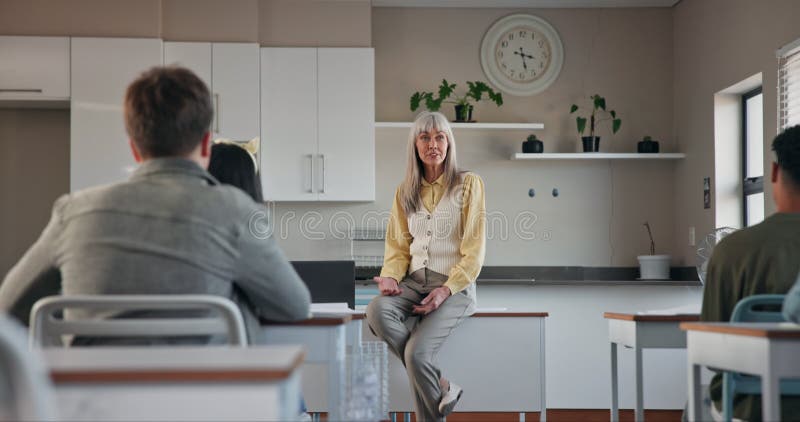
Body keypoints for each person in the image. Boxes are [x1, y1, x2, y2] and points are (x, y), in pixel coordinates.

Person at [0, 66, 310, 343]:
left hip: (94, 402)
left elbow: (7, 306)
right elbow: (294, 306)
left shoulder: (73, 212)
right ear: (206, 144)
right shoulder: (235, 210)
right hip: (206, 400)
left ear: (134, 147)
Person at [366, 111, 486, 421]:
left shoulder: (469, 184)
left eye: (439, 137)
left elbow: (474, 250)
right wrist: (391, 277)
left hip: (454, 287)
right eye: (424, 137)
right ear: (415, 145)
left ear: (449, 143)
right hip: (414, 283)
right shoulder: (405, 191)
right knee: (376, 310)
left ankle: (436, 387)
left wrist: (446, 290)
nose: (432, 144)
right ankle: (443, 385)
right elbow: (397, 245)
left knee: (416, 355)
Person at [700, 125, 800, 420]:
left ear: (773, 172)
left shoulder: (733, 250)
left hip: (752, 404)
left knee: (695, 406)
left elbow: (713, 354)